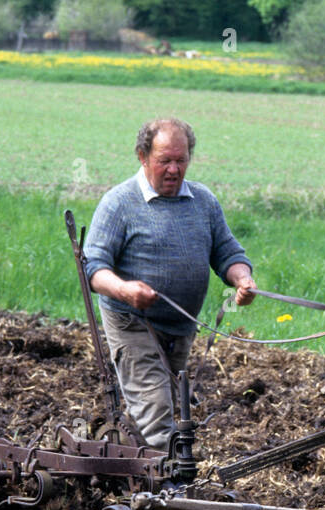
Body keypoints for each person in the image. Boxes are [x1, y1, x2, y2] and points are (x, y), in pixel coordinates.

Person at [84, 117, 256, 449]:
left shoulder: (203, 202)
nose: (174, 170)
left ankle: (138, 470)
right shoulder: (119, 203)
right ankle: (170, 493)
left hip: (181, 330)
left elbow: (227, 251)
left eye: (181, 160)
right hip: (133, 324)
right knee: (158, 415)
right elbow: (94, 267)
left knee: (173, 413)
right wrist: (126, 290)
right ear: (142, 156)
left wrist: (242, 279)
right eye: (165, 160)